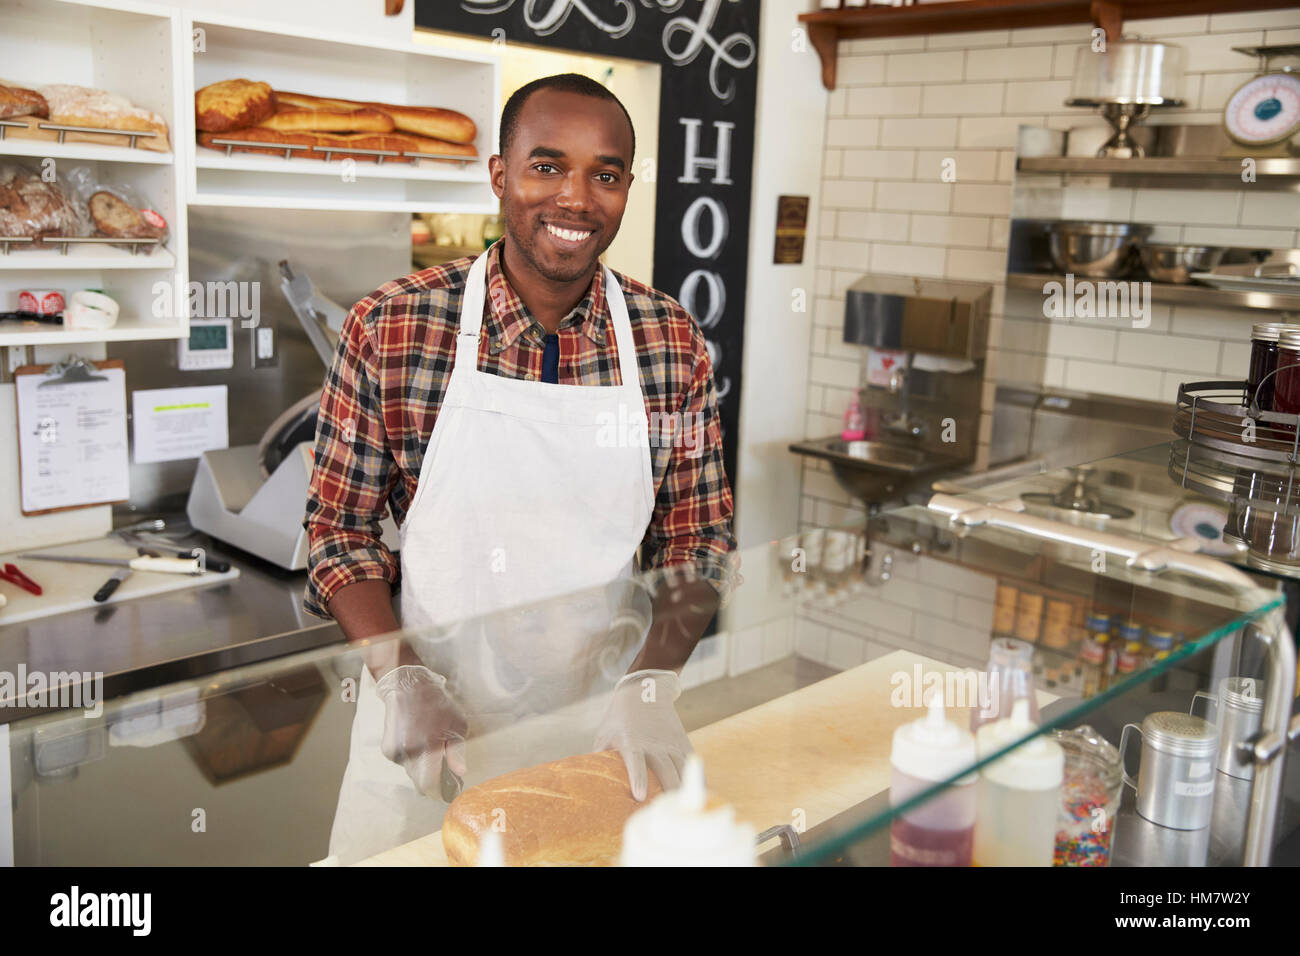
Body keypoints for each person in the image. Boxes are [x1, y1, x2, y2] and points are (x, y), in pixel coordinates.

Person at [302, 72, 736, 864]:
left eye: (604, 175)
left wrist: (651, 687)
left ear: (627, 190)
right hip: (427, 729)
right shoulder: (394, 325)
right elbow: (337, 535)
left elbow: (697, 538)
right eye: (546, 165)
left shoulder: (670, 340)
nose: (576, 198)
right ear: (499, 175)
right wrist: (400, 678)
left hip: (600, 737)